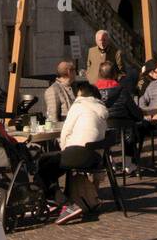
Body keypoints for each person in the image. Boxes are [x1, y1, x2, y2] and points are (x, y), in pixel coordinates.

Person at [38, 81, 109, 223]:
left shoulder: (78, 106)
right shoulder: (101, 110)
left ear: (82, 95)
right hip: (95, 157)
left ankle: (66, 204)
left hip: (78, 153)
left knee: (42, 164)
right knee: (51, 166)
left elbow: (65, 132)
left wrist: (64, 150)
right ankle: (55, 200)